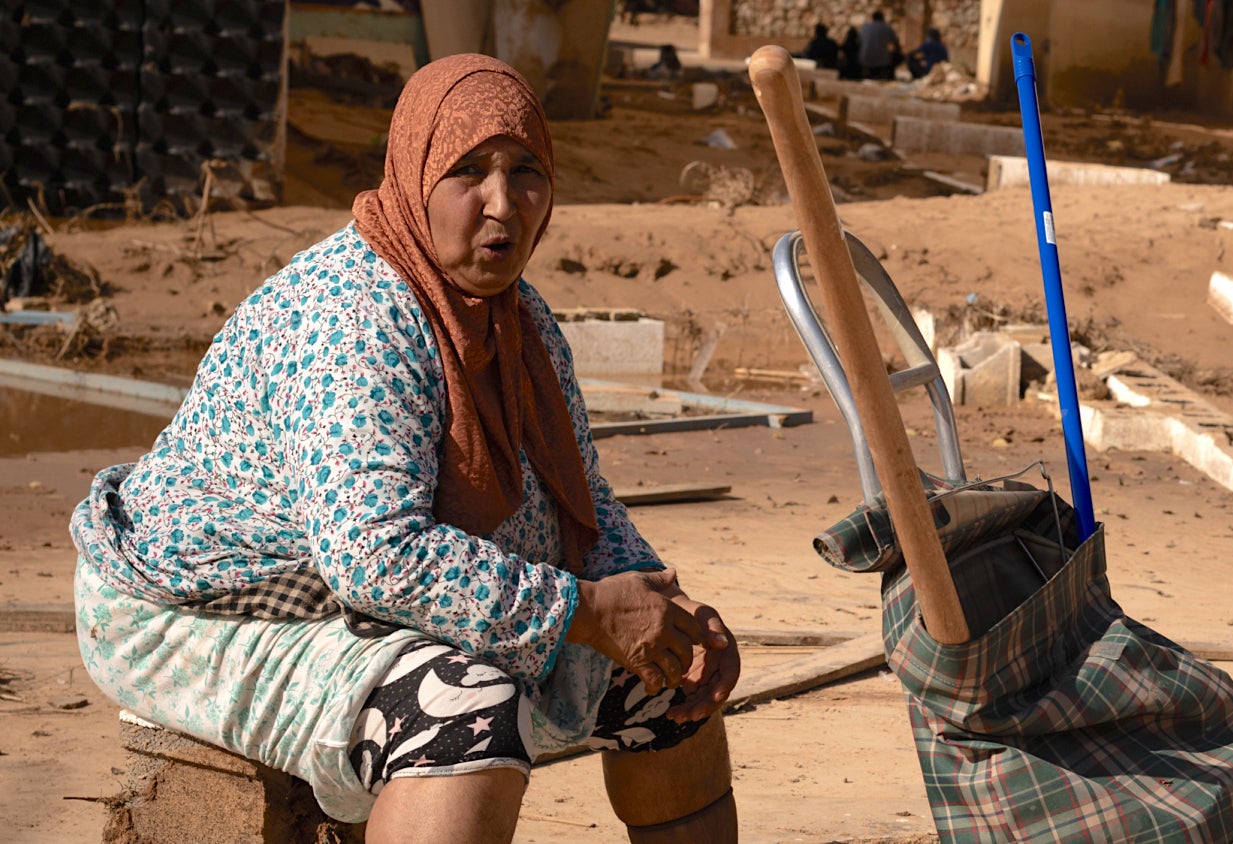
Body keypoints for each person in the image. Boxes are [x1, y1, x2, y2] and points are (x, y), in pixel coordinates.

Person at [71, 53, 741, 844]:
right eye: (468, 172)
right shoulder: (355, 317)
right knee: (463, 712)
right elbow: (374, 554)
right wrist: (582, 610)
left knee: (668, 682)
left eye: (526, 172)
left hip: (358, 589)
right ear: (415, 177)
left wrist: (663, 606)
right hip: (198, 607)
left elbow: (579, 500)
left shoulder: (519, 321)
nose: (503, 203)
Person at [858, 9, 902, 80]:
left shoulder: (865, 28)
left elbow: (859, 42)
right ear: (882, 18)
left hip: (865, 60)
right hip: (883, 62)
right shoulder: (888, 29)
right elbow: (894, 45)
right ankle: (888, 74)